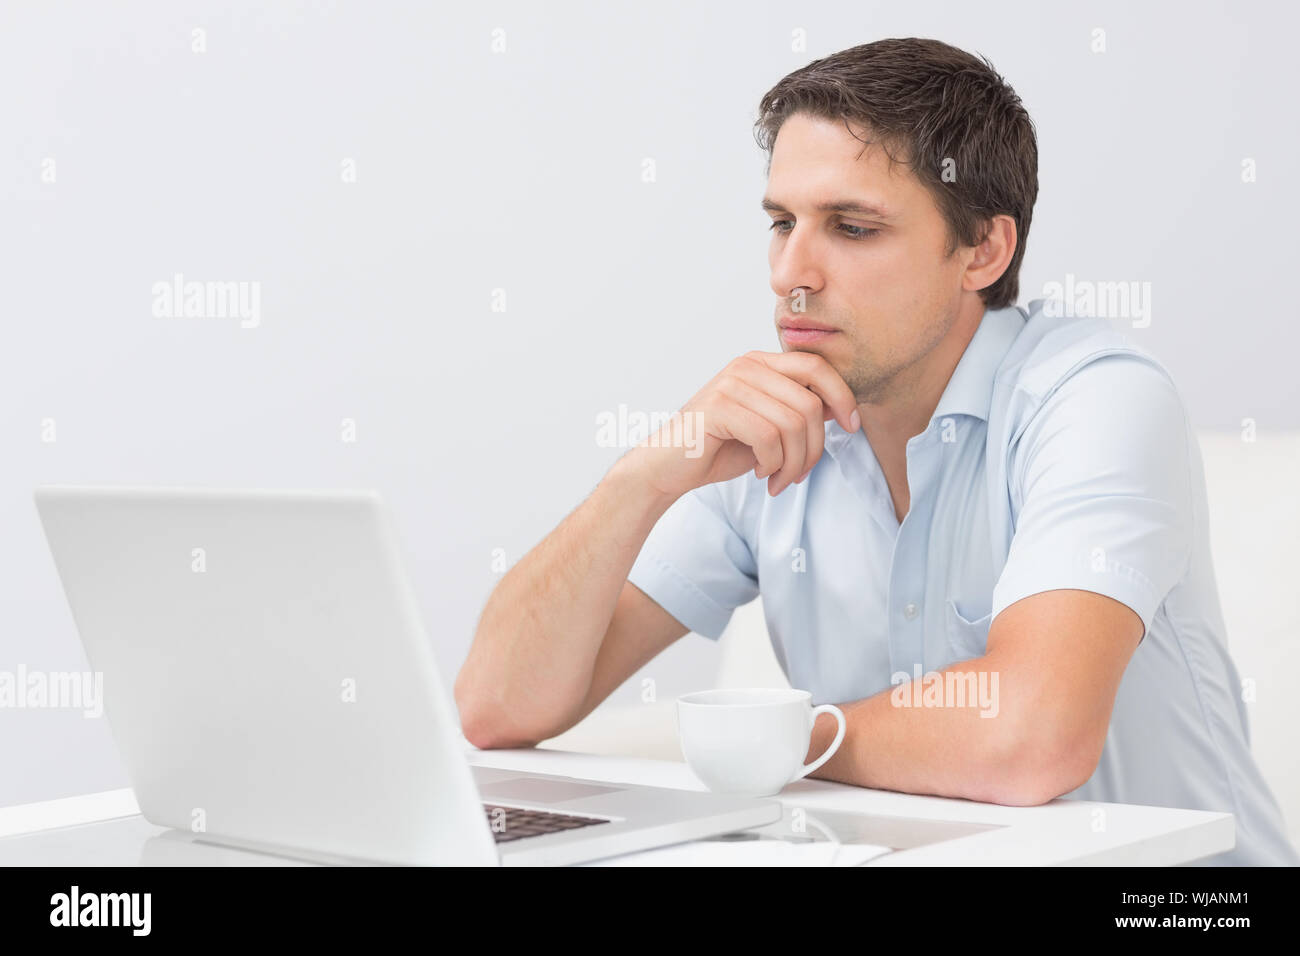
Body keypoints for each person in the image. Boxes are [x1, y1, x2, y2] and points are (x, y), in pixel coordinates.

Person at [455, 37, 1298, 866]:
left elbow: (1031, 737)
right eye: (782, 222)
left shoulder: (1096, 400)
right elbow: (495, 709)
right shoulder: (767, 420)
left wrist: (784, 741)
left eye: (852, 228)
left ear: (984, 249)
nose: (793, 271)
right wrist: (640, 479)